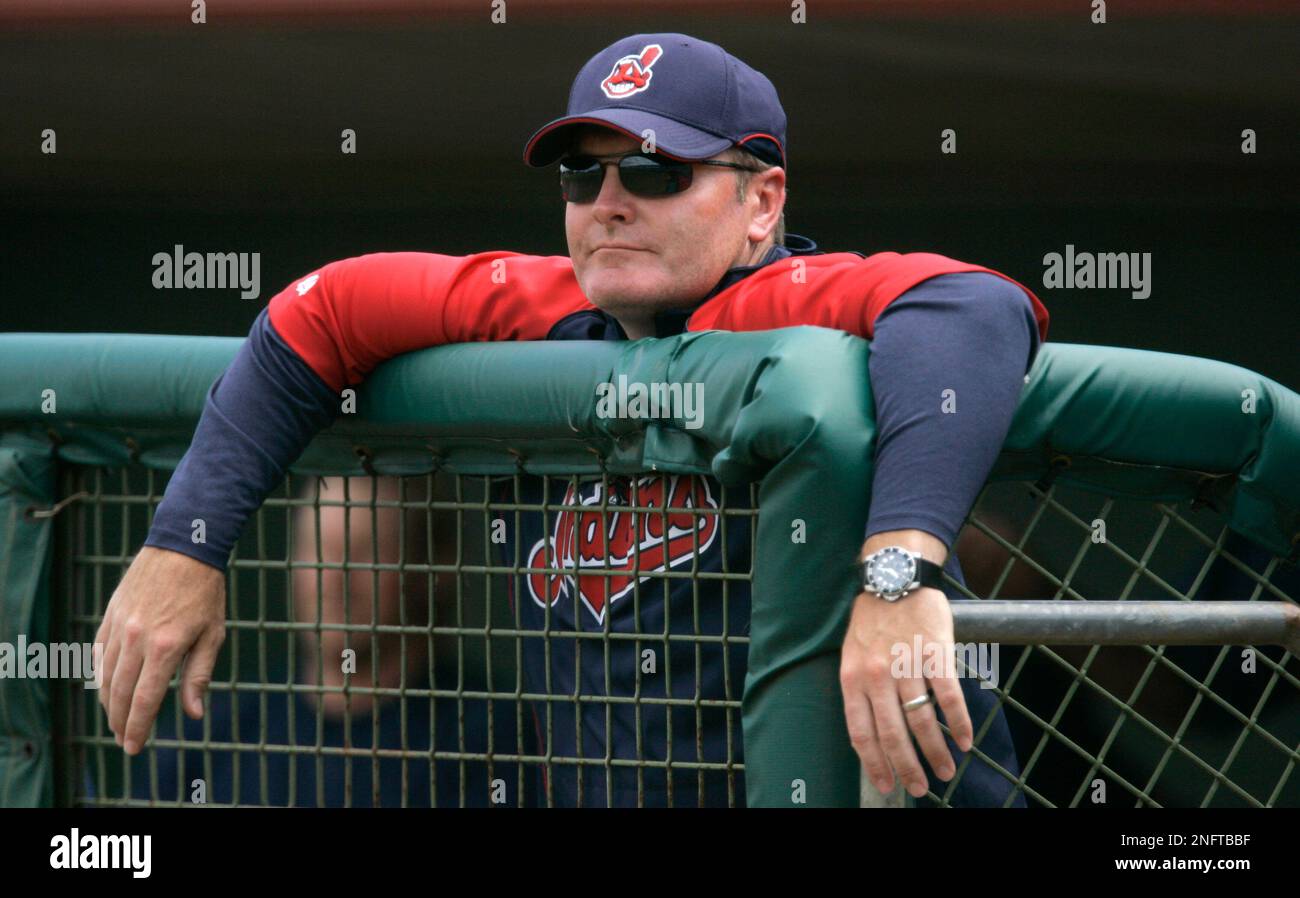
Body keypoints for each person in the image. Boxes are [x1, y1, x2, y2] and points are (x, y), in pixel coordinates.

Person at [96, 32, 1049, 807]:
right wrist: (184, 545)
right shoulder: (544, 313)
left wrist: (897, 577)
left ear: (762, 201)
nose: (609, 204)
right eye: (581, 178)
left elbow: (975, 306)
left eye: (654, 170)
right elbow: (319, 309)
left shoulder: (799, 301)